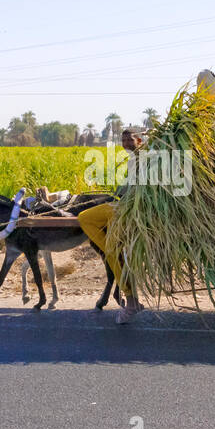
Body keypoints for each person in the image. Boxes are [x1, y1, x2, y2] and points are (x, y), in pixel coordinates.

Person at [77, 128, 145, 324]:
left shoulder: (142, 158)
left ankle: (131, 303)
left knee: (85, 218)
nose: (126, 143)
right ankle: (132, 300)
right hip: (122, 206)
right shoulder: (135, 158)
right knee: (110, 248)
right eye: (123, 140)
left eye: (130, 139)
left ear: (139, 140)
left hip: (126, 210)